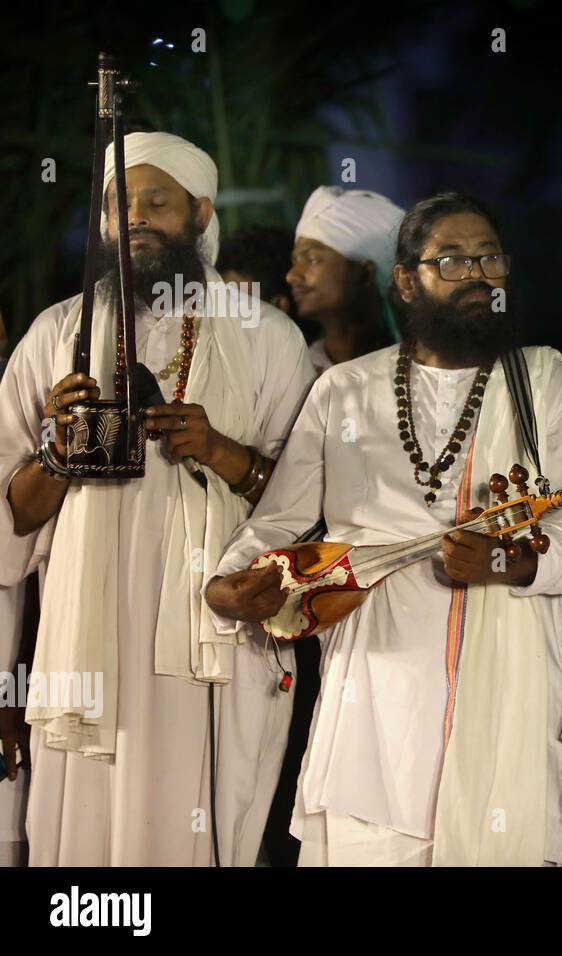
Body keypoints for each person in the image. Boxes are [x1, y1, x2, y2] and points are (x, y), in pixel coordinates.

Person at [205, 192, 562, 866]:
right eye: (451, 260)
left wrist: (503, 564)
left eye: (489, 258)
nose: (477, 274)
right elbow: (282, 518)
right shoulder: (344, 391)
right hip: (376, 694)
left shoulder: (549, 384)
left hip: (507, 691)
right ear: (405, 278)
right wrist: (226, 585)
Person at [0, 131, 316, 865]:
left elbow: (306, 506)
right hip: (87, 644)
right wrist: (56, 450)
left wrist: (219, 450)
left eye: (156, 201)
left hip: (211, 645)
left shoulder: (268, 339)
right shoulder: (55, 335)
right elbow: (12, 517)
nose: (135, 218)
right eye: (120, 204)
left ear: (201, 215)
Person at [287, 186, 406, 374]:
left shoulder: (419, 370)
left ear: (365, 273)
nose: (292, 275)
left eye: (312, 259)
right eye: (294, 262)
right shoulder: (294, 376)